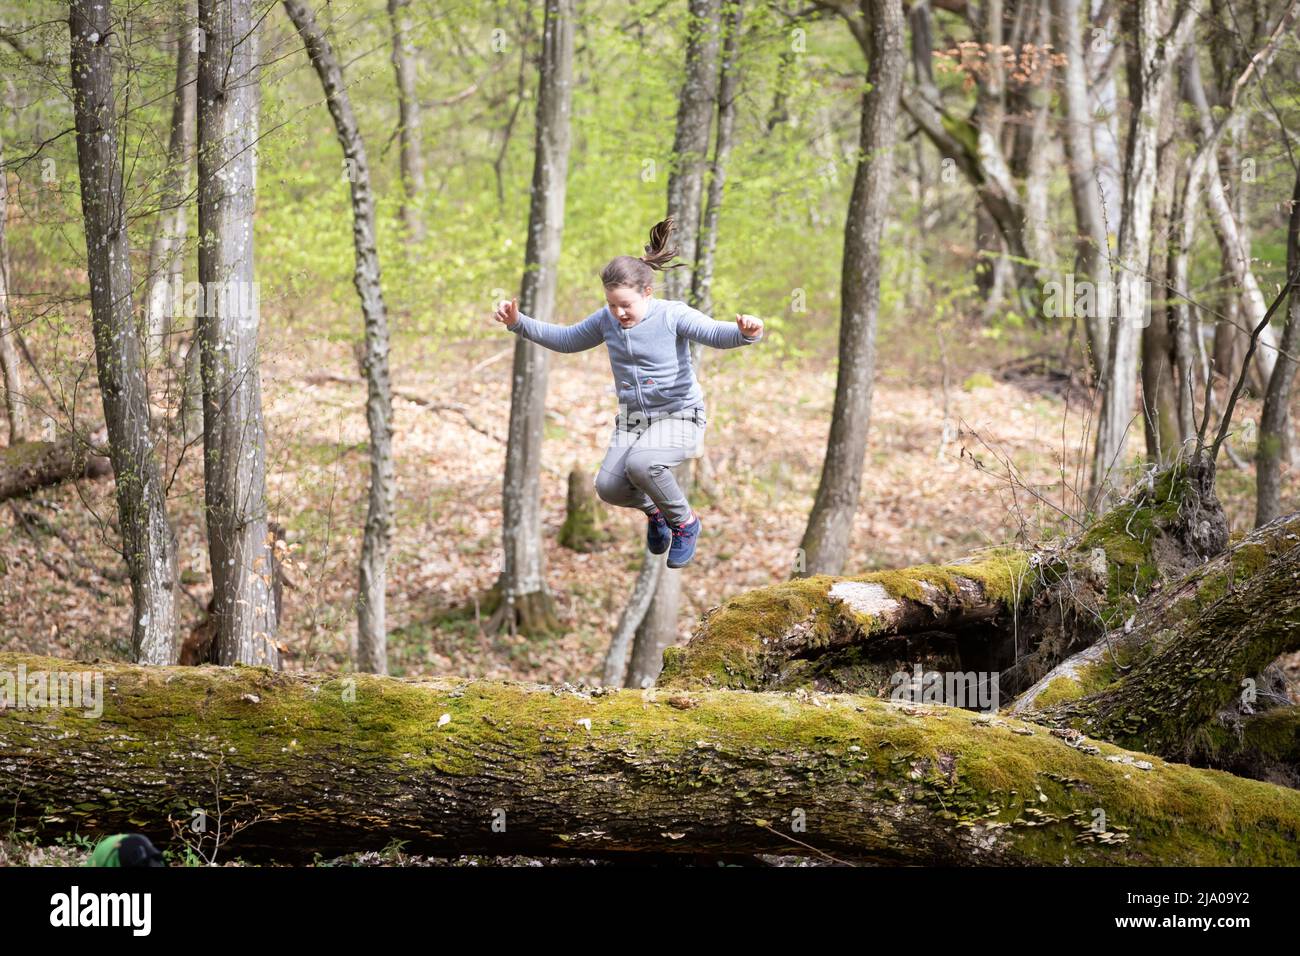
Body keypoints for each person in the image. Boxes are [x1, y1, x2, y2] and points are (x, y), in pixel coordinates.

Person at [493, 217, 762, 569]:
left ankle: (685, 523)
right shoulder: (607, 320)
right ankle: (657, 513)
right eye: (612, 304)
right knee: (609, 487)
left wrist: (746, 332)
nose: (619, 313)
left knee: (643, 463)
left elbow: (714, 333)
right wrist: (518, 323)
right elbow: (566, 339)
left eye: (626, 305)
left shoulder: (671, 315)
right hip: (634, 420)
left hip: (681, 414)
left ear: (646, 293)